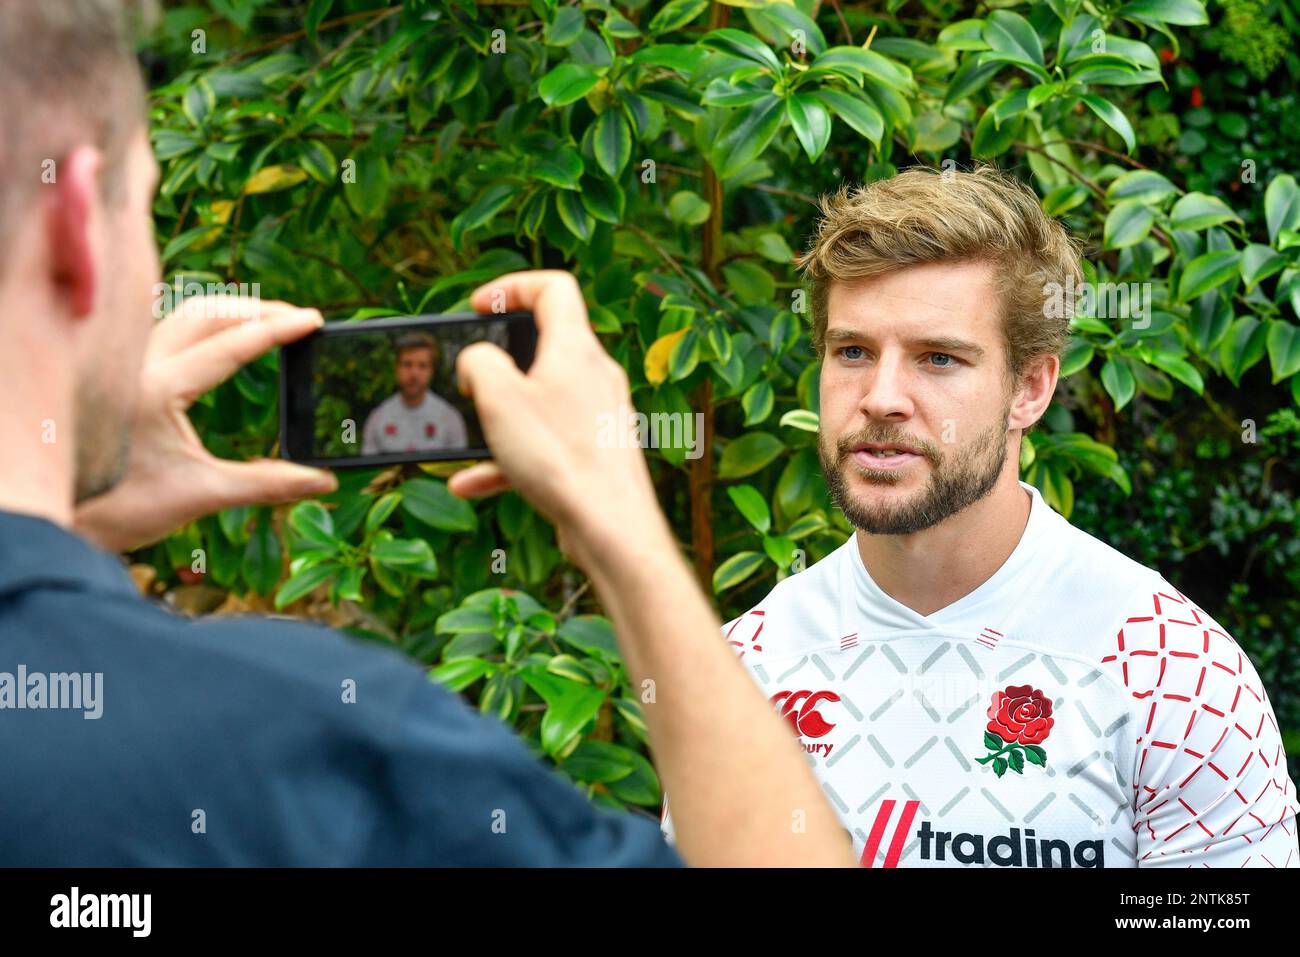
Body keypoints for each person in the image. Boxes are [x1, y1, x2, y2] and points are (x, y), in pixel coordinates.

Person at [0, 2, 855, 866]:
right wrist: (622, 531)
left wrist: (64, 517)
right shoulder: (303, 745)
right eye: (141, 205)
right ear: (79, 223)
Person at [660, 167, 1300, 868]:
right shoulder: (743, 669)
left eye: (938, 357)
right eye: (852, 351)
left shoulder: (1176, 673)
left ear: (1030, 388)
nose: (881, 398)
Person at [360, 331, 469, 455]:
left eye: (422, 366)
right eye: (407, 364)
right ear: (397, 368)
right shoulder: (377, 419)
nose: (414, 374)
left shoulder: (450, 419)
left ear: (432, 371)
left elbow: (459, 468)